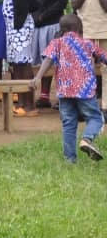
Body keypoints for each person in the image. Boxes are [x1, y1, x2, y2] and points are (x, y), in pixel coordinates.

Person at [29, 15, 105, 163]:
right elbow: (103, 56)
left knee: (69, 123)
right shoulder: (87, 43)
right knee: (96, 118)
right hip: (85, 90)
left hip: (64, 91)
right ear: (79, 29)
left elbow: (48, 59)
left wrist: (37, 77)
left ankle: (70, 160)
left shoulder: (57, 43)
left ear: (61, 29)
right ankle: (87, 139)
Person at [1, 0, 39, 116]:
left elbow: (31, 1)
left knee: (24, 64)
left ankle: (30, 105)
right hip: (12, 27)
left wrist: (19, 21)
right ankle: (21, 102)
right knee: (16, 64)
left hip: (21, 25)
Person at [69, 0, 107, 107]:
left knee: (106, 72)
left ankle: (105, 107)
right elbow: (75, 5)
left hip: (105, 31)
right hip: (84, 32)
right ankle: (86, 106)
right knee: (84, 70)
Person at [32, 0, 68, 108]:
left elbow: (61, 2)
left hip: (52, 25)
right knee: (44, 61)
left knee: (56, 62)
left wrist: (42, 16)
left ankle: (62, 98)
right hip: (42, 25)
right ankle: (44, 96)